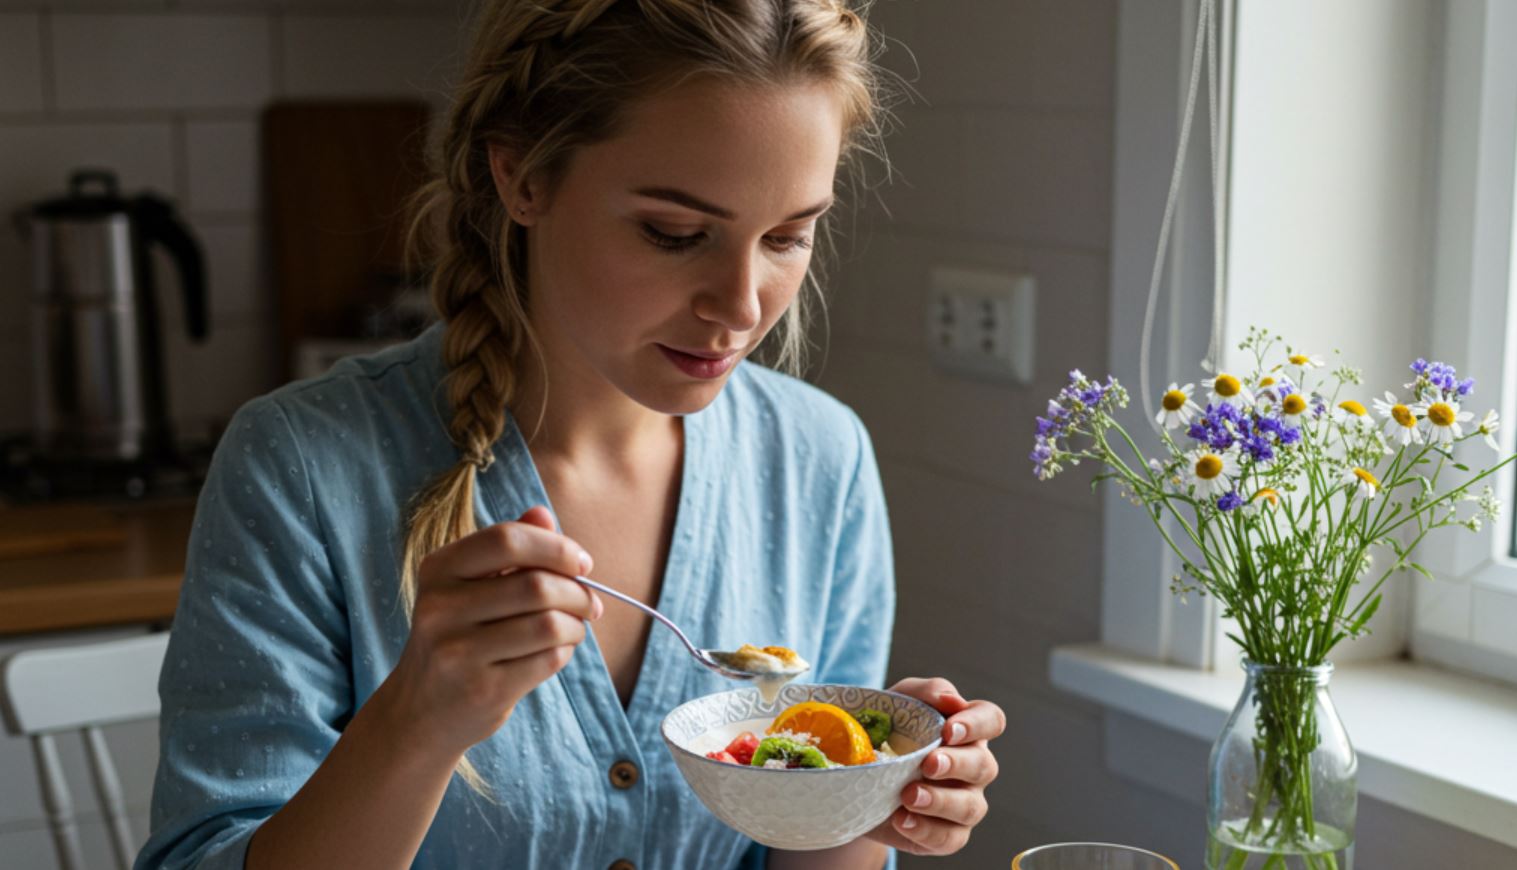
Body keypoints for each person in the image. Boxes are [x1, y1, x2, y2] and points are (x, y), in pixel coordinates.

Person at [136, 1, 1005, 868]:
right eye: (674, 234)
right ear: (522, 179)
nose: (741, 308)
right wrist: (417, 721)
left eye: (787, 236)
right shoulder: (300, 468)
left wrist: (857, 789)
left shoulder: (820, 457)